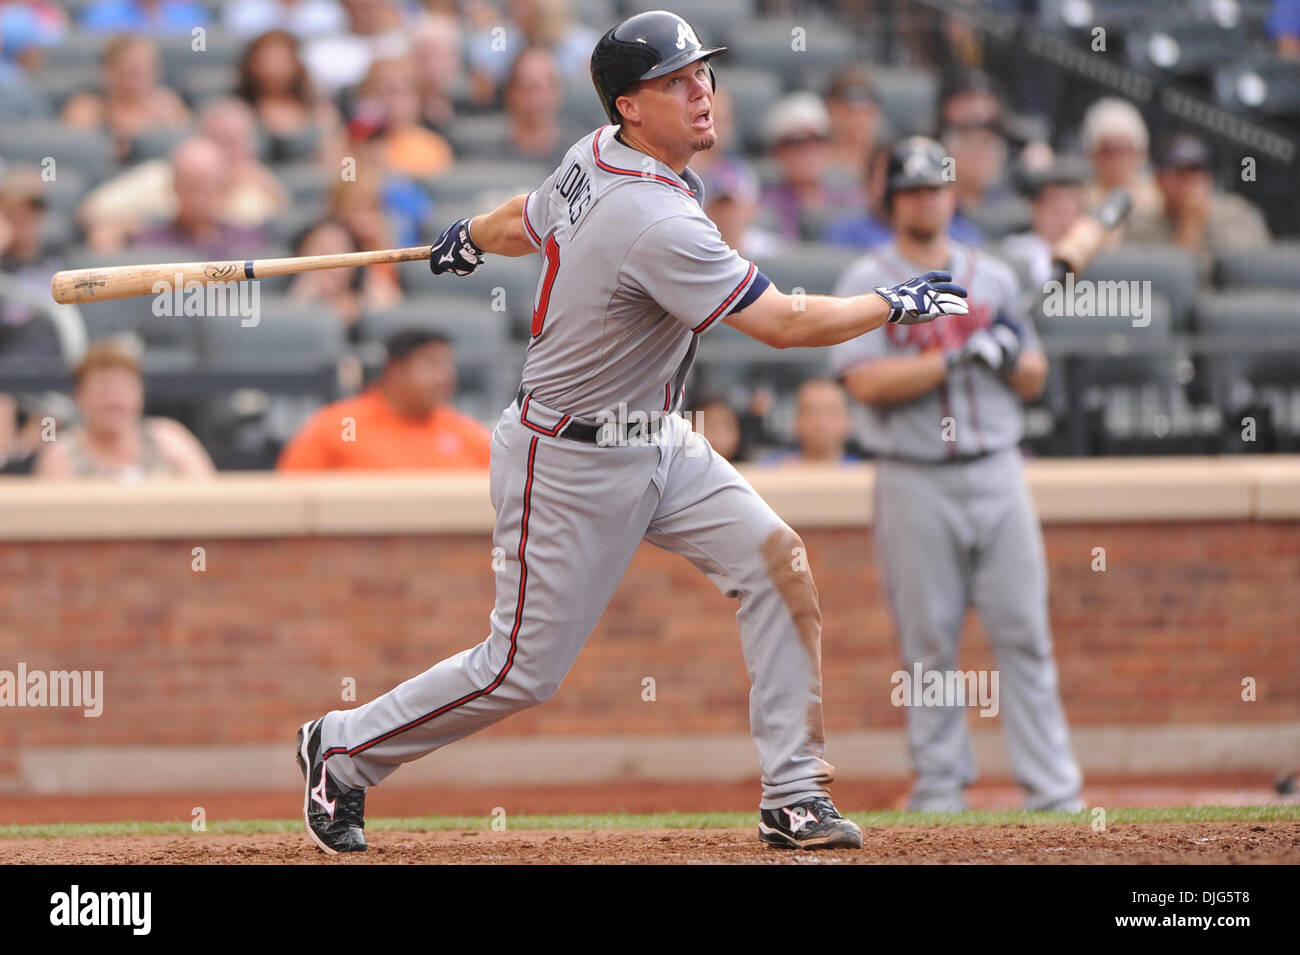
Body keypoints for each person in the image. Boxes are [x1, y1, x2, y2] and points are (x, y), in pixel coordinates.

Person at [293, 10, 969, 856]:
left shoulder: (598, 153)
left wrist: (469, 235)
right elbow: (787, 324)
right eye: (675, 82)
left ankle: (795, 794)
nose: (701, 92)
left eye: (703, 73)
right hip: (567, 457)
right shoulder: (654, 217)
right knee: (519, 671)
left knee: (777, 563)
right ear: (629, 107)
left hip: (656, 436)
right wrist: (891, 302)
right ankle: (344, 748)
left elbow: (523, 219)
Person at [829, 136, 1083, 814]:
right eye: (912, 189)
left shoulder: (990, 275)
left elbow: (1034, 375)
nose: (925, 199)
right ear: (893, 200)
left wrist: (1002, 353)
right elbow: (867, 382)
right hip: (914, 476)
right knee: (928, 641)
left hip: (997, 469)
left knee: (1024, 631)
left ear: (952, 195)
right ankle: (941, 785)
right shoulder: (866, 280)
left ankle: (1054, 789)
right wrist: (955, 358)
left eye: (935, 188)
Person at [278, 329, 490, 471]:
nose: (446, 377)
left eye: (448, 367)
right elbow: (289, 498)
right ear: (395, 369)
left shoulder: (467, 433)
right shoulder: (336, 427)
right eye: (432, 364)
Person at [34, 340, 215, 480]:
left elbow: (210, 502)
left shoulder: (169, 440)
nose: (114, 397)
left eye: (124, 386)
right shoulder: (61, 455)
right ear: (79, 396)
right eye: (103, 387)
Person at [1126, 133, 1270, 283]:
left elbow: (1254, 271)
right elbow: (1167, 286)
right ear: (1159, 179)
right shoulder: (1142, 227)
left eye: (1197, 171)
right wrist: (1190, 226)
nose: (1191, 182)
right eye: (1181, 173)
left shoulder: (1237, 215)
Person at [60, 34, 190, 163]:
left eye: (145, 66)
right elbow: (74, 151)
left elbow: (184, 149)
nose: (137, 72)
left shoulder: (168, 103)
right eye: (130, 69)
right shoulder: (87, 107)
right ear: (108, 69)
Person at [132, 138, 267, 259]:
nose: (199, 197)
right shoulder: (149, 245)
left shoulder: (247, 241)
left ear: (224, 188)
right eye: (191, 186)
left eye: (208, 186)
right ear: (175, 187)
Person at [759, 92, 863, 241]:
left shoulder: (850, 201)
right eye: (797, 143)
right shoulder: (765, 206)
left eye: (818, 141)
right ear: (777, 151)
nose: (809, 152)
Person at [234, 29, 344, 164]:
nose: (274, 69)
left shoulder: (322, 113)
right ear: (251, 65)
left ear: (297, 64)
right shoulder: (234, 114)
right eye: (267, 61)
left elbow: (335, 162)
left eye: (282, 61)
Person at [1000, 156, 1090, 290]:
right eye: (1056, 209)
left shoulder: (1093, 252)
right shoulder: (1015, 251)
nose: (1064, 220)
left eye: (1071, 211)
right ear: (1035, 209)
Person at [1080, 96, 1161, 224]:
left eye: (1126, 150)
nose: (1119, 160)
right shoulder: (1080, 199)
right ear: (1093, 155)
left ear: (1142, 153)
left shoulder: (1160, 199)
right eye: (1109, 152)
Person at [760, 379, 862, 466]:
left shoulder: (866, 471)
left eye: (831, 412)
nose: (820, 423)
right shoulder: (770, 470)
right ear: (796, 421)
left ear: (848, 420)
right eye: (810, 412)